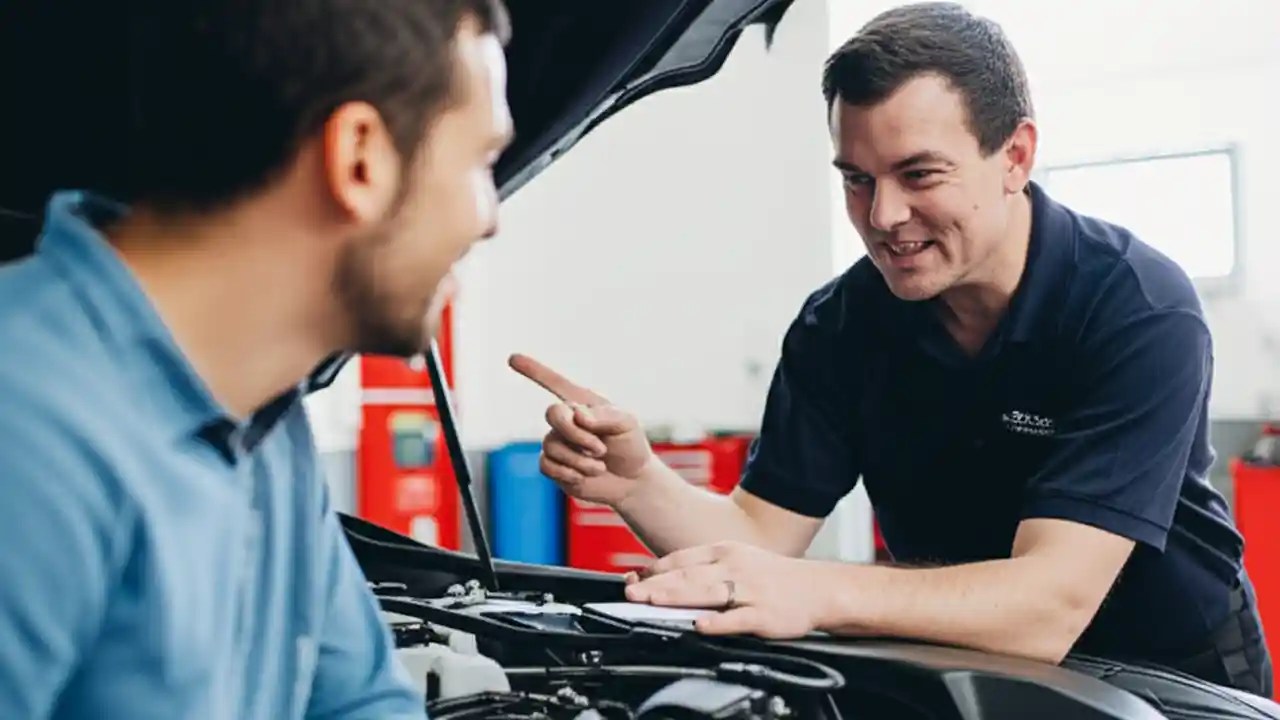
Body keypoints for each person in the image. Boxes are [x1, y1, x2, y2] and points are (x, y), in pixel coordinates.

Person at [510, 1, 1272, 697]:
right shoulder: (841, 325)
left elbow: (1049, 607)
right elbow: (757, 535)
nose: (883, 216)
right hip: (966, 662)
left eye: (919, 174)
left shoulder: (1135, 307)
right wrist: (639, 482)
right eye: (856, 179)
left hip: (1169, 677)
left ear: (1015, 156)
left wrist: (813, 591)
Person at [0, 0, 513, 717]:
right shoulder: (27, 428)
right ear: (358, 156)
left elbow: (360, 703)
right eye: (484, 161)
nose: (489, 219)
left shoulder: (262, 418)